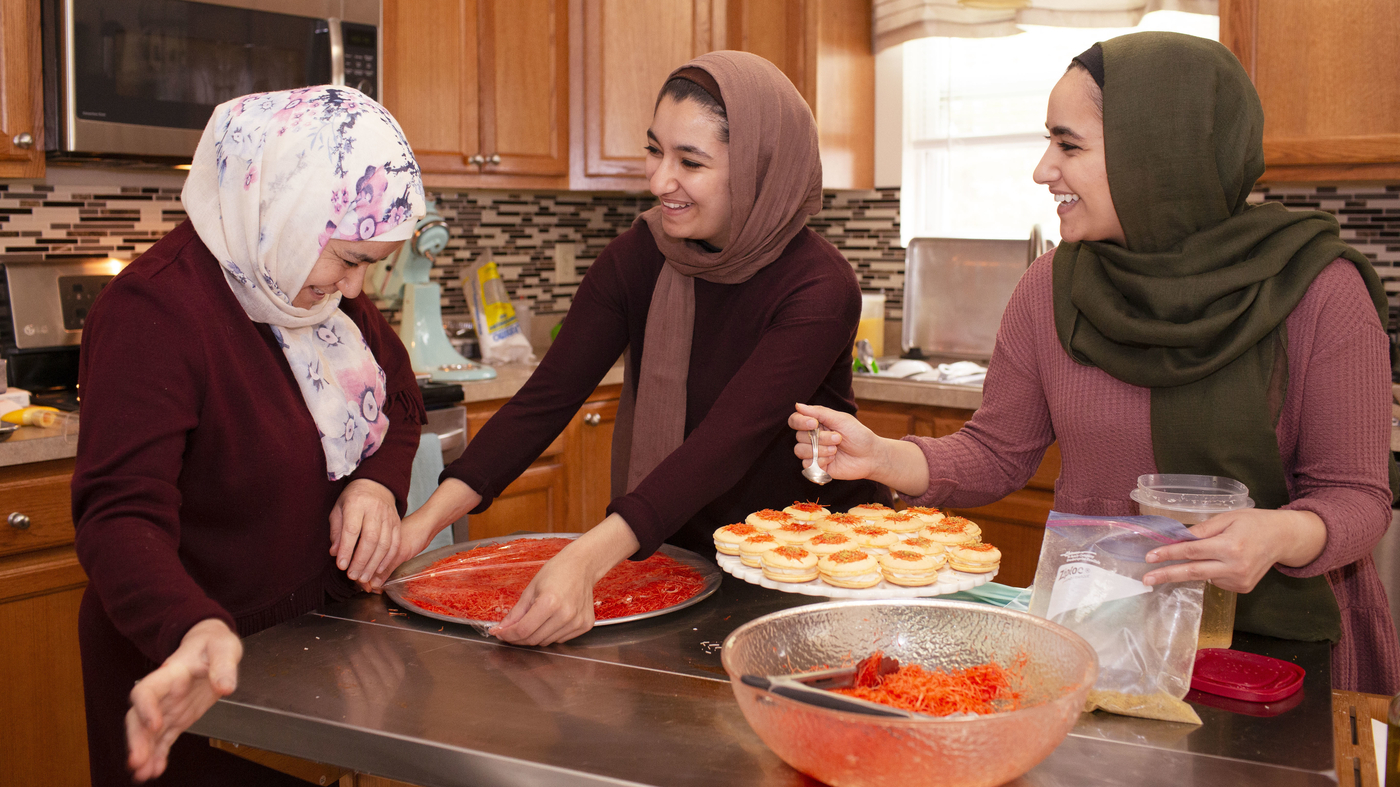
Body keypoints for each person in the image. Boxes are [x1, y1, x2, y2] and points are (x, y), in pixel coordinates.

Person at [792, 32, 1400, 695]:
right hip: (1103, 640)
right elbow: (997, 453)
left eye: (1069, 145)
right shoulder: (1050, 286)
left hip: (1280, 657)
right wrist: (880, 456)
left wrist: (1281, 533)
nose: (1042, 169)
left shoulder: (1319, 290)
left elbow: (1359, 497)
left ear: (1159, 156)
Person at [391, 51, 883, 645]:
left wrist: (584, 558)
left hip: (815, 568)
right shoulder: (639, 258)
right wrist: (418, 528)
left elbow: (726, 441)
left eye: (690, 161)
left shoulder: (819, 287)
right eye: (655, 151)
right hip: (682, 551)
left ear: (759, 168)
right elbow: (544, 401)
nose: (658, 182)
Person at [71, 86, 428, 785]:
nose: (357, 288)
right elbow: (119, 516)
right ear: (284, 213)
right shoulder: (156, 308)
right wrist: (193, 628)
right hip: (187, 674)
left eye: (370, 265)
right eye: (350, 257)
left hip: (310, 655)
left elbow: (404, 404)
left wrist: (376, 486)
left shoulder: (317, 296)